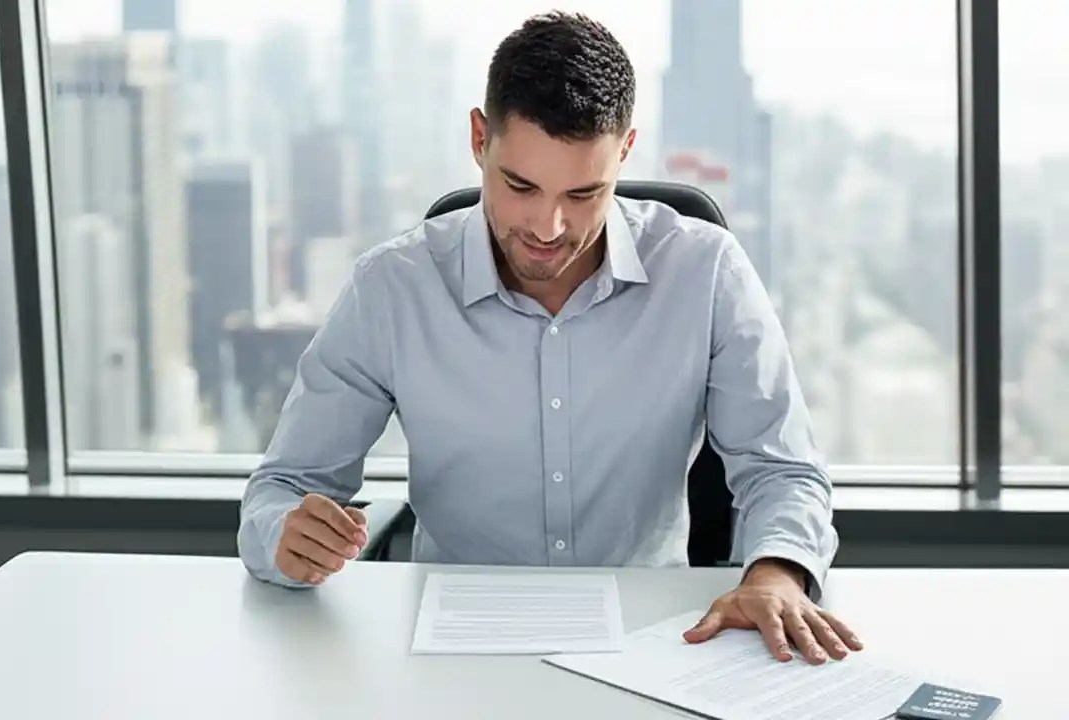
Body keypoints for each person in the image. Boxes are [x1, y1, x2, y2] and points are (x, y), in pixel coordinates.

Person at [238, 11, 860, 665]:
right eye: (520, 186)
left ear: (624, 151)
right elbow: (282, 485)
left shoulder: (705, 271)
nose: (549, 226)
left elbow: (783, 468)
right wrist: (285, 535)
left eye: (585, 192)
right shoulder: (393, 287)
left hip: (654, 644)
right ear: (481, 139)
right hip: (457, 654)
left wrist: (777, 572)